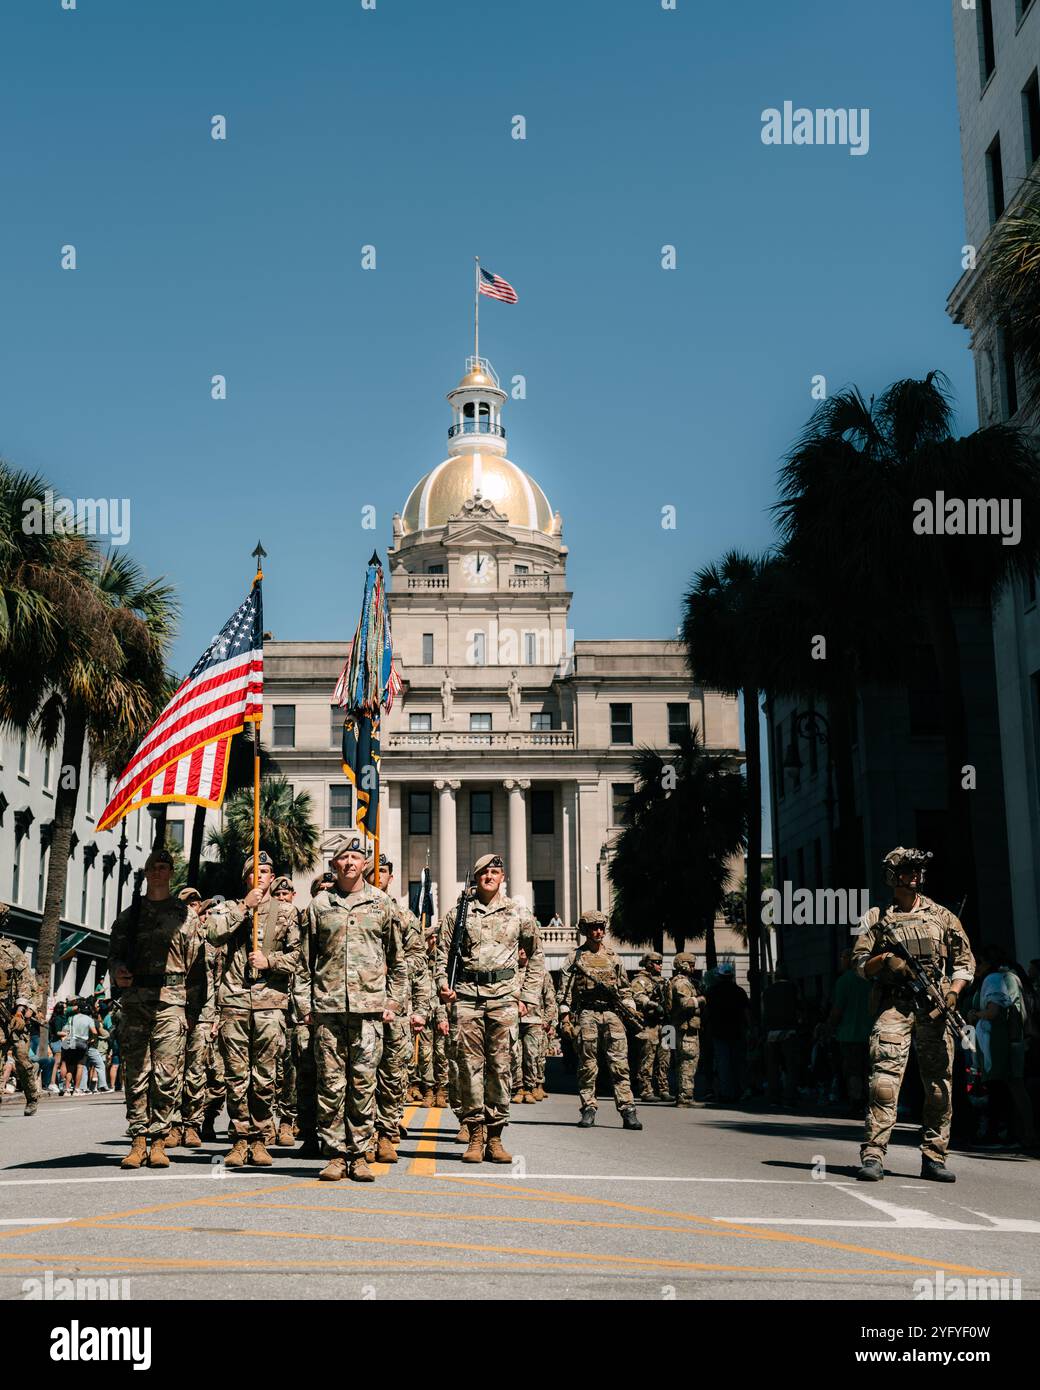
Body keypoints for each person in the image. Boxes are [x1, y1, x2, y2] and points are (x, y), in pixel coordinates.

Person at [851, 846, 974, 1183]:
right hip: (895, 1006)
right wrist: (885, 961)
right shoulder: (876, 918)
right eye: (908, 870)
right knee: (884, 1082)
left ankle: (934, 1157)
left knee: (939, 1086)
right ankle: (874, 1154)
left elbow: (965, 963)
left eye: (919, 870)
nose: (916, 876)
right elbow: (859, 965)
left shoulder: (943, 916)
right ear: (893, 876)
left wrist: (952, 994)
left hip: (935, 1009)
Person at [306, 832, 407, 1183]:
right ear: (334, 865)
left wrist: (393, 1000)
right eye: (342, 858)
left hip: (369, 1011)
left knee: (364, 1084)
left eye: (355, 858)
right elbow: (306, 960)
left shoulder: (382, 904)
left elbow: (398, 959)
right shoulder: (320, 905)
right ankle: (335, 1154)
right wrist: (306, 1005)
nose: (349, 863)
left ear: (365, 863)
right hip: (329, 1009)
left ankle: (360, 1153)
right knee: (331, 1085)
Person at [437, 853, 545, 1163]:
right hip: (467, 996)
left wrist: (529, 996)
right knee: (470, 1069)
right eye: (484, 872)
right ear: (476, 877)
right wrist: (443, 985)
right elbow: (442, 956)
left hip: (504, 997)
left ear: (503, 876)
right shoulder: (458, 913)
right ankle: (475, 1134)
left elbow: (536, 955)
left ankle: (496, 1136)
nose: (489, 876)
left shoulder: (518, 913)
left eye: (495, 871)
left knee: (501, 1068)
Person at [108, 848, 207, 1169]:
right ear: (147, 872)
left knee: (167, 1075)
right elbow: (115, 955)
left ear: (171, 872)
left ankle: (159, 1140)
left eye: (165, 867)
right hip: (136, 1001)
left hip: (172, 1003)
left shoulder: (185, 916)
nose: (159, 872)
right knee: (136, 1073)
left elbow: (198, 968)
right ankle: (138, 1140)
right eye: (154, 867)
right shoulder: (131, 914)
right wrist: (117, 971)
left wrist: (193, 1012)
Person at [206, 851, 302, 1168]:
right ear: (246, 877)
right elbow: (214, 933)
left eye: (266, 871)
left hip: (270, 1002)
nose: (260, 876)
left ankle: (260, 1137)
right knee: (236, 1076)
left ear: (272, 877)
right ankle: (239, 1139)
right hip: (234, 1000)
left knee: (264, 1077)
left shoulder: (287, 912)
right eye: (254, 871)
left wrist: (270, 961)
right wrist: (246, 906)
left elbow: (299, 959)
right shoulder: (230, 909)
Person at [366, 854, 430, 1164]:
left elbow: (420, 963)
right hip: (360, 1005)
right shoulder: (355, 911)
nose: (378, 876)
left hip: (396, 1006)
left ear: (390, 877)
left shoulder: (403, 916)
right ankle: (363, 1134)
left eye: (384, 872)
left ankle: (387, 1131)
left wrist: (420, 1008)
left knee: (392, 1074)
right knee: (361, 1074)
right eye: (373, 871)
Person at [557, 911, 642, 1130]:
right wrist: (565, 1019)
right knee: (587, 1065)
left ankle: (628, 1110)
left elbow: (624, 989)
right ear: (585, 930)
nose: (598, 932)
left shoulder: (614, 957)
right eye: (594, 927)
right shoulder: (574, 957)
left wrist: (631, 1011)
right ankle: (588, 1109)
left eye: (601, 927)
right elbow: (564, 993)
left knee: (620, 1065)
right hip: (587, 1014)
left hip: (612, 1014)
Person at [966, 943, 1036, 1149]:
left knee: (1002, 1088)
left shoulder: (994, 980)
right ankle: (1021, 1133)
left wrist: (974, 1015)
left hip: (999, 1042)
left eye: (977, 963)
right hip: (1011, 1041)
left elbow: (993, 1011)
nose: (974, 968)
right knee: (1012, 1088)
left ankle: (1002, 1134)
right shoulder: (1010, 977)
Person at [0, 904, 41, 1116]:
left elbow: (26, 983)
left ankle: (32, 1097)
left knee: (22, 1059)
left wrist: (21, 1011)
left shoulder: (12, 952)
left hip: (13, 1013)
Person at [828, 949, 872, 1116]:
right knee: (869, 1070)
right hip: (870, 1032)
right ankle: (870, 1100)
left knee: (853, 1070)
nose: (841, 961)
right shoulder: (871, 980)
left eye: (843, 957)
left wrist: (829, 1026)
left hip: (849, 1034)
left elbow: (837, 1010)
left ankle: (856, 1100)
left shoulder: (844, 981)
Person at [630, 951, 671, 1101]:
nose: (660, 965)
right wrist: (651, 1003)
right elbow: (638, 996)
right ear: (648, 964)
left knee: (665, 1058)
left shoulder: (664, 981)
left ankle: (664, 1089)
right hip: (649, 1025)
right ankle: (646, 1090)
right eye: (656, 962)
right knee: (648, 1058)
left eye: (660, 962)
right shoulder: (640, 980)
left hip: (667, 1025)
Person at [706, 962, 750, 1102]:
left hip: (718, 1031)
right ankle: (740, 1090)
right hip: (737, 1031)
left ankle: (726, 1093)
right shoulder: (739, 991)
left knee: (723, 1063)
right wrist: (750, 1028)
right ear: (732, 976)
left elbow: (706, 1013)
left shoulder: (711, 992)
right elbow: (746, 1012)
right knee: (738, 1062)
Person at [666, 953, 704, 1107]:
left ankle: (683, 1095)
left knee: (683, 1062)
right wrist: (701, 1000)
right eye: (691, 964)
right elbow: (685, 1003)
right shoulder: (682, 983)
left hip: (682, 1028)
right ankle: (686, 1098)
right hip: (685, 1029)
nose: (693, 967)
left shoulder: (679, 981)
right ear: (683, 964)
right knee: (688, 1061)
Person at [762, 966, 801, 1107]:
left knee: (773, 1067)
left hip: (772, 1032)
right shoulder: (792, 989)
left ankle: (774, 1097)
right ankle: (789, 1097)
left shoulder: (767, 991)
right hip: (789, 1030)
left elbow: (764, 1012)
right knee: (790, 1066)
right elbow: (799, 1007)